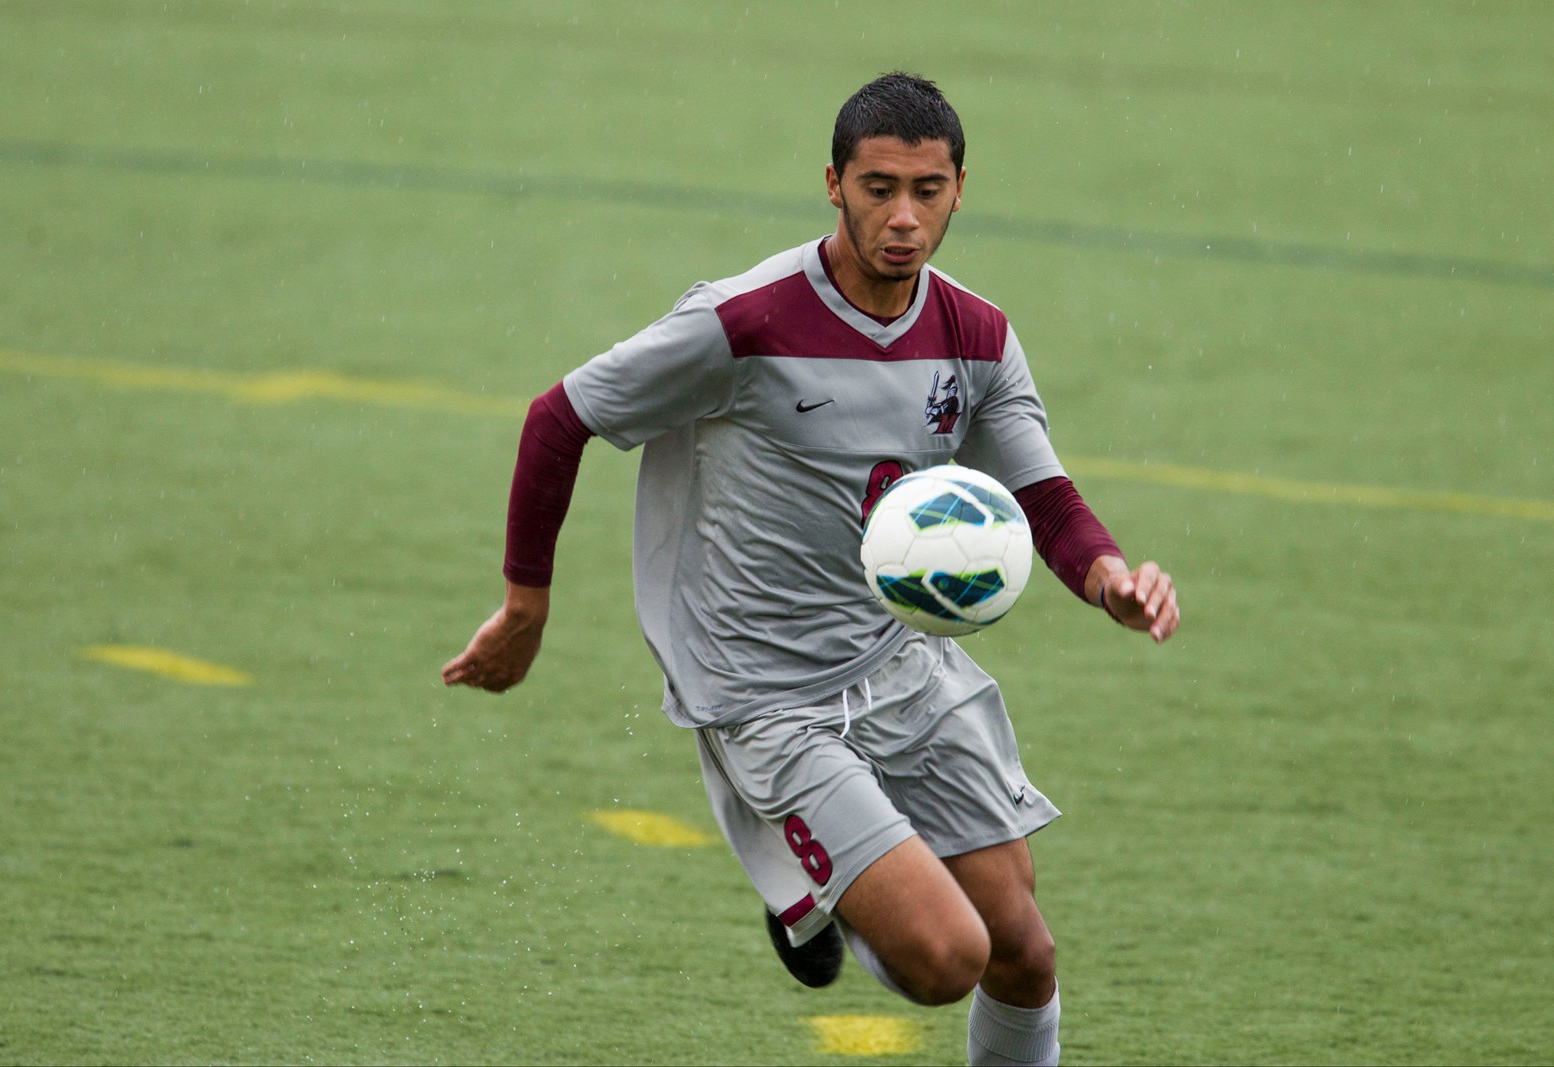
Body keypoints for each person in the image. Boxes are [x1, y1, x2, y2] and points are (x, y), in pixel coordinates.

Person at [444, 72, 1179, 1067]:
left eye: (927, 190)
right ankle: (807, 887)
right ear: (831, 184)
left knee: (1022, 951)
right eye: (878, 188)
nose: (903, 218)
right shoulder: (743, 321)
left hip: (901, 668)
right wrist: (525, 605)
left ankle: (812, 883)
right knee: (945, 956)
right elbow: (559, 416)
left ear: (962, 186)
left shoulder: (976, 337)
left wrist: (1109, 579)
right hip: (765, 693)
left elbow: (1044, 497)